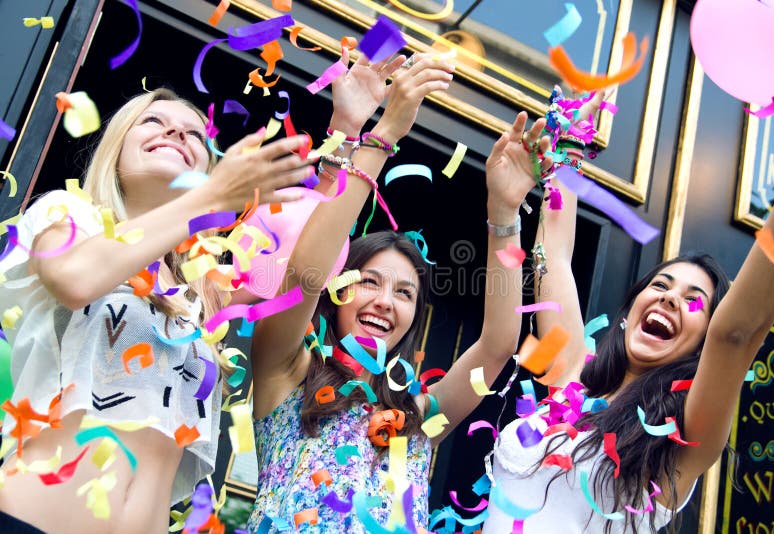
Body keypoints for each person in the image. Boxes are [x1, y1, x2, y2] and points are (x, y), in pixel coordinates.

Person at [246, 51, 549, 532]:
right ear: (336, 289)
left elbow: (497, 346)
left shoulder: (423, 416)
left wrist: (505, 212)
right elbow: (306, 271)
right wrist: (381, 135)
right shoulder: (285, 368)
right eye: (369, 282)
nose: (386, 301)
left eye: (406, 293)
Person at [483, 77, 774, 533]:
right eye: (662, 286)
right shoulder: (572, 372)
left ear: (701, 345)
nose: (671, 297)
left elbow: (738, 334)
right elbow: (552, 253)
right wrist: (570, 148)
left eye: (694, 301)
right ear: (630, 312)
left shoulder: (684, 441)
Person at [0, 88, 315, 533]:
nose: (175, 132)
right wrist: (209, 202)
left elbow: (311, 272)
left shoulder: (205, 290)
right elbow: (74, 279)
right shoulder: (67, 212)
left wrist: (357, 129)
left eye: (193, 133)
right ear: (117, 144)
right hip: (29, 519)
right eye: (153, 121)